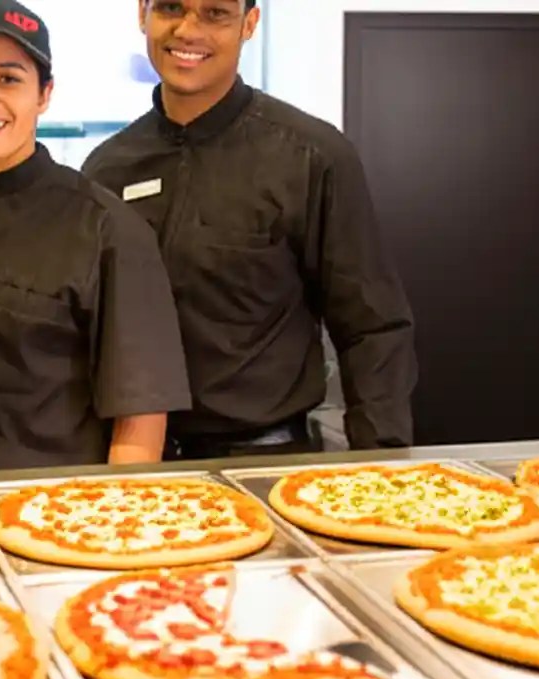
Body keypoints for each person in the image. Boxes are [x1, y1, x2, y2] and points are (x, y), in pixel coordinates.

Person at [82, 0, 417, 459]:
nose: (188, 30)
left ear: (249, 23)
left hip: (268, 462)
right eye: (170, 8)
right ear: (143, 13)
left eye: (215, 13)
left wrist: (381, 464)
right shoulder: (106, 169)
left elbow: (372, 327)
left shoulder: (311, 156)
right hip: (135, 462)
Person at [0, 0, 192, 471]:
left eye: (9, 79)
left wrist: (118, 510)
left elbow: (140, 418)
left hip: (53, 503)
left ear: (44, 94)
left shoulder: (106, 228)